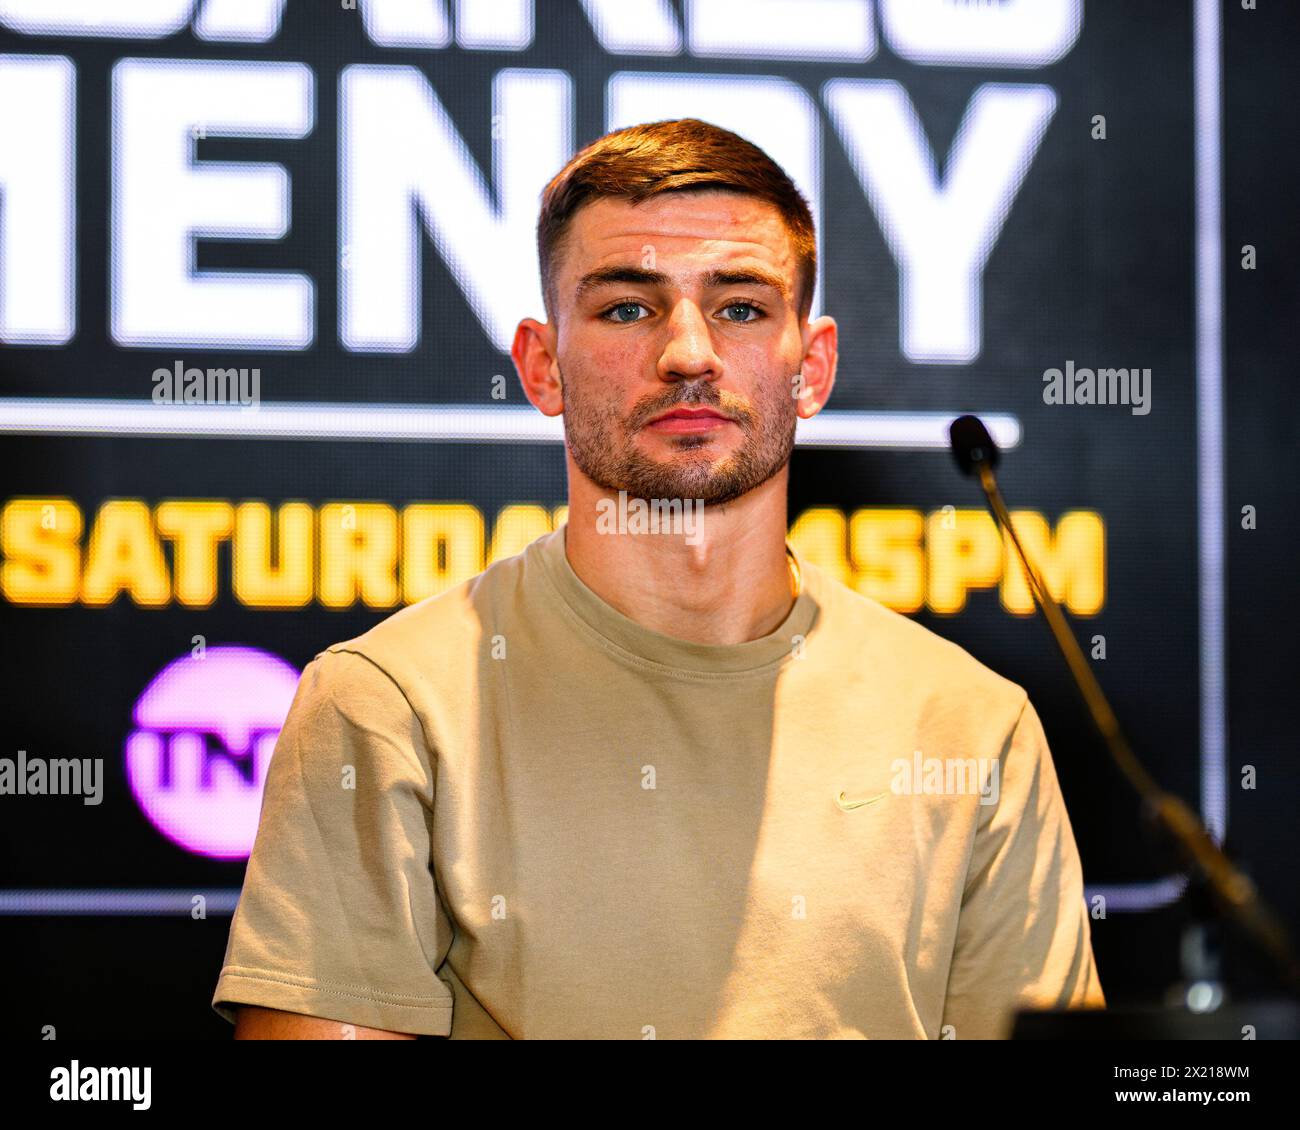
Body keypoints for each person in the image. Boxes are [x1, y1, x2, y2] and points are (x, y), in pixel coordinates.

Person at [213, 118, 1104, 1039]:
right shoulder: (388, 705)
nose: (687, 353)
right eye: (628, 308)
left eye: (742, 307)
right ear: (541, 364)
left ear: (815, 367)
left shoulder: (969, 725)